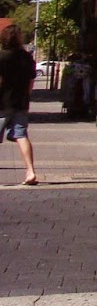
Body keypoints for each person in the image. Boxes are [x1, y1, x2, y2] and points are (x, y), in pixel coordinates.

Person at [0, 25, 40, 186]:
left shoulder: (1, 57)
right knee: (21, 135)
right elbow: (31, 82)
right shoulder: (27, 58)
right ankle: (30, 171)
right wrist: (25, 97)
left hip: (1, 103)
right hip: (20, 103)